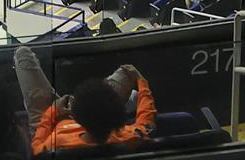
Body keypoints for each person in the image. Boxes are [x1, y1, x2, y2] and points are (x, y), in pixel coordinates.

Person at [13, 47, 156, 153]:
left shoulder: (52, 146)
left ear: (75, 113)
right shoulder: (132, 138)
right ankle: (132, 98)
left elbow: (36, 146)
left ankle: (132, 98)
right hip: (96, 111)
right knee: (127, 72)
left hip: (52, 120)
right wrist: (140, 80)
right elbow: (147, 121)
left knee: (22, 54)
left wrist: (53, 111)